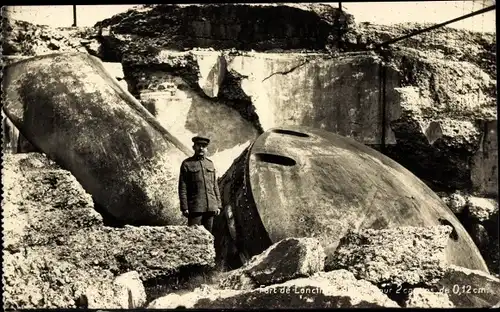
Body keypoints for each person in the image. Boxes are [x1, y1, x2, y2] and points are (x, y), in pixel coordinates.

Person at [178, 135, 222, 233]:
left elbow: (215, 186)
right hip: (195, 207)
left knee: (209, 235)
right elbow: (183, 187)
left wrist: (218, 205)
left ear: (207, 148)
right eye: (198, 145)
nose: (201, 148)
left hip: (211, 207)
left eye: (204, 146)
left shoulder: (210, 164)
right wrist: (184, 207)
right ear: (194, 147)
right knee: (193, 236)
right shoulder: (187, 164)